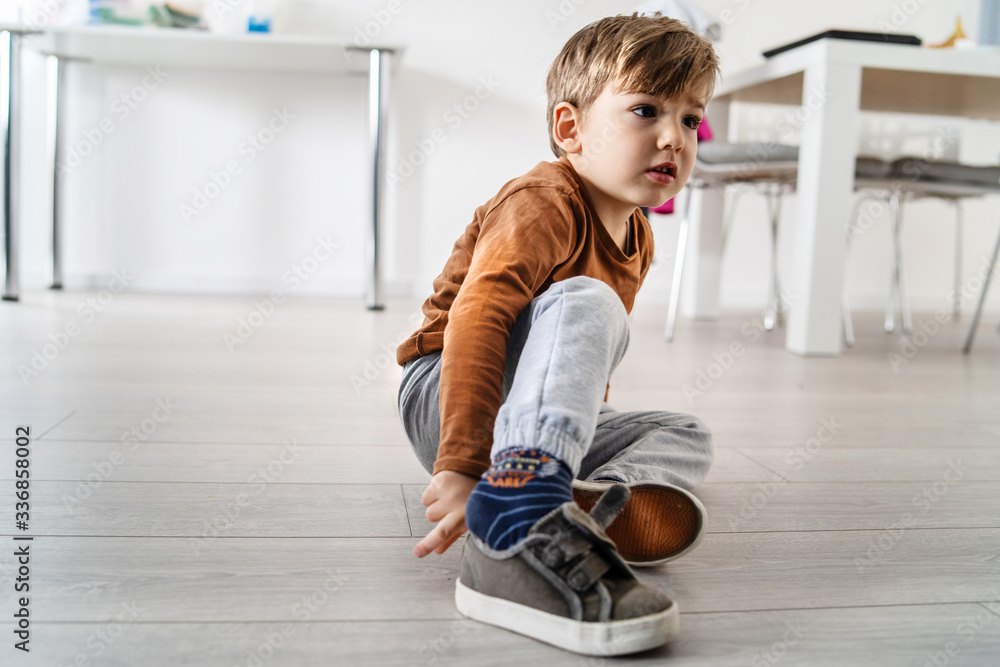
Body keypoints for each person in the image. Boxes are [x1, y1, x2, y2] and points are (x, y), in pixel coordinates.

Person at [396, 12, 719, 655]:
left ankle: (573, 505)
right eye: (646, 110)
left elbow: (579, 362)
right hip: (451, 392)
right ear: (570, 128)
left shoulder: (639, 234)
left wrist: (579, 423)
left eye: (690, 118)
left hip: (527, 419)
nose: (674, 138)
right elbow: (477, 320)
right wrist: (460, 466)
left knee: (685, 434)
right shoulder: (543, 200)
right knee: (588, 299)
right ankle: (518, 501)